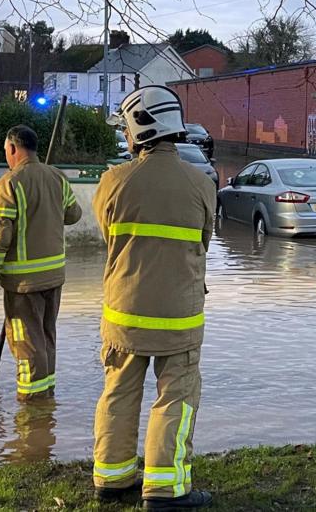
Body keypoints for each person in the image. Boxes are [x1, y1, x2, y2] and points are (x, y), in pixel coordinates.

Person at [91, 86, 216, 510]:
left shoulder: (112, 182)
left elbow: (109, 238)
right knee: (175, 399)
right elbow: (204, 242)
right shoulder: (202, 183)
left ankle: (112, 478)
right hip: (178, 316)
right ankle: (164, 490)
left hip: (122, 313)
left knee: (118, 394)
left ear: (139, 129)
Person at [0, 125, 82, 400]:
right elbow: (74, 215)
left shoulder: (9, 183)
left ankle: (31, 412)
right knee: (46, 338)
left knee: (26, 344)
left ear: (12, 148)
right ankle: (47, 397)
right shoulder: (57, 176)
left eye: (6, 152)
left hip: (23, 284)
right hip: (54, 277)